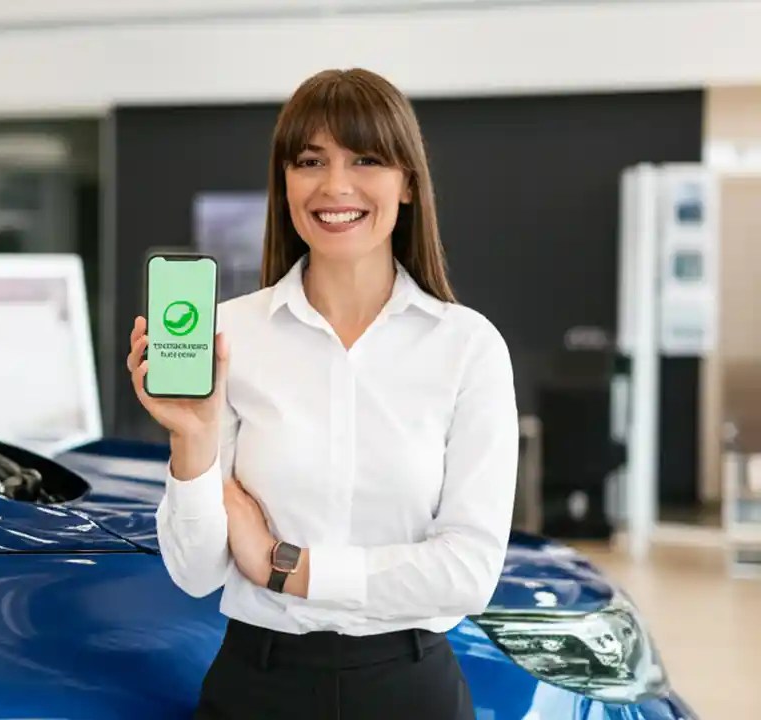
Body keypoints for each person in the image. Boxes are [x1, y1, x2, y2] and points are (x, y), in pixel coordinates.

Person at [126, 68, 519, 719]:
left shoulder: (466, 347)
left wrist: (286, 567)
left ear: (409, 183)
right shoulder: (230, 335)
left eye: (365, 158)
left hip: (410, 689)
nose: (335, 185)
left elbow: (468, 571)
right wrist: (192, 441)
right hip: (259, 686)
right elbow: (196, 572)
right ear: (284, 185)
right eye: (310, 161)